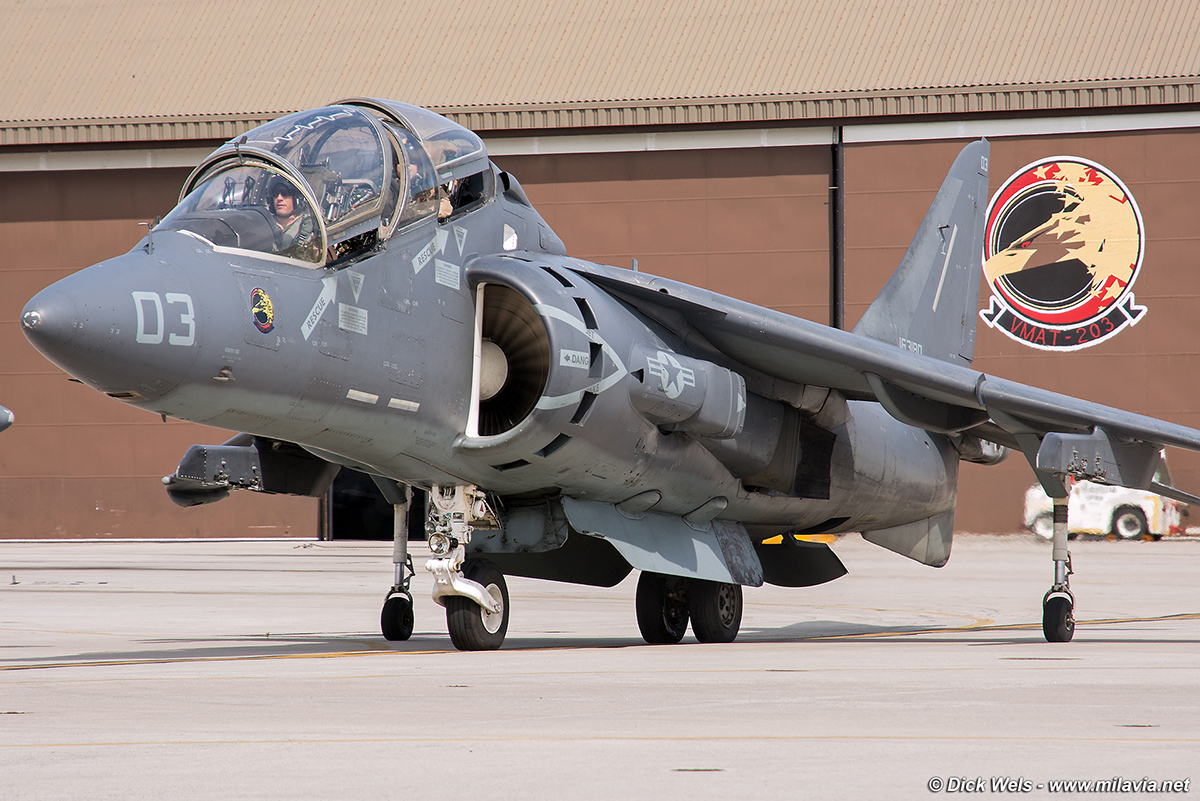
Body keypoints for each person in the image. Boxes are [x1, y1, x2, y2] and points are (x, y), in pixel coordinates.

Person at [268, 177, 319, 261]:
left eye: (285, 193)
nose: (279, 198)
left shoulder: (312, 228)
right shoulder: (265, 224)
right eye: (275, 193)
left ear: (297, 198)